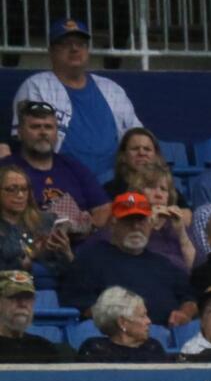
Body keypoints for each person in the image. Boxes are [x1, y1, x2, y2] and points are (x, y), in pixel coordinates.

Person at [9, 18, 142, 183]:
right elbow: (28, 140)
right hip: (59, 182)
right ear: (51, 51)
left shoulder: (111, 89)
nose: (74, 48)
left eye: (81, 43)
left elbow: (137, 135)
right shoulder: (37, 86)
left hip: (114, 183)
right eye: (66, 43)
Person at [63, 192, 198, 327]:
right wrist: (125, 323)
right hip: (115, 339)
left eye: (141, 220)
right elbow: (82, 307)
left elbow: (191, 298)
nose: (136, 226)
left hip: (167, 339)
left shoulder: (163, 264)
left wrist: (185, 313)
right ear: (113, 223)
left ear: (150, 223)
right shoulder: (89, 260)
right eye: (128, 220)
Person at [4, 98, 109, 234]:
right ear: (19, 132)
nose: (43, 132)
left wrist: (86, 230)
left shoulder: (72, 165)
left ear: (56, 132)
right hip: (28, 246)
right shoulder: (5, 168)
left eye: (48, 127)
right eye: (35, 126)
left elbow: (104, 208)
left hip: (78, 248)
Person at [0, 164, 74, 275]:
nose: (20, 195)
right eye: (12, 189)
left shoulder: (47, 220)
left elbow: (71, 271)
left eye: (24, 189)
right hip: (14, 288)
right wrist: (30, 256)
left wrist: (67, 252)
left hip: (57, 285)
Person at [124, 167, 196, 276]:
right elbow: (130, 264)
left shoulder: (177, 223)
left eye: (163, 189)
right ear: (137, 192)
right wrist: (148, 225)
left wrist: (181, 234)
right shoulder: (129, 223)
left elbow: (194, 268)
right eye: (151, 187)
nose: (158, 194)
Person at [74, 286, 170, 362]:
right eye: (142, 316)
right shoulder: (95, 350)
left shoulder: (153, 347)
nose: (149, 321)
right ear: (122, 322)